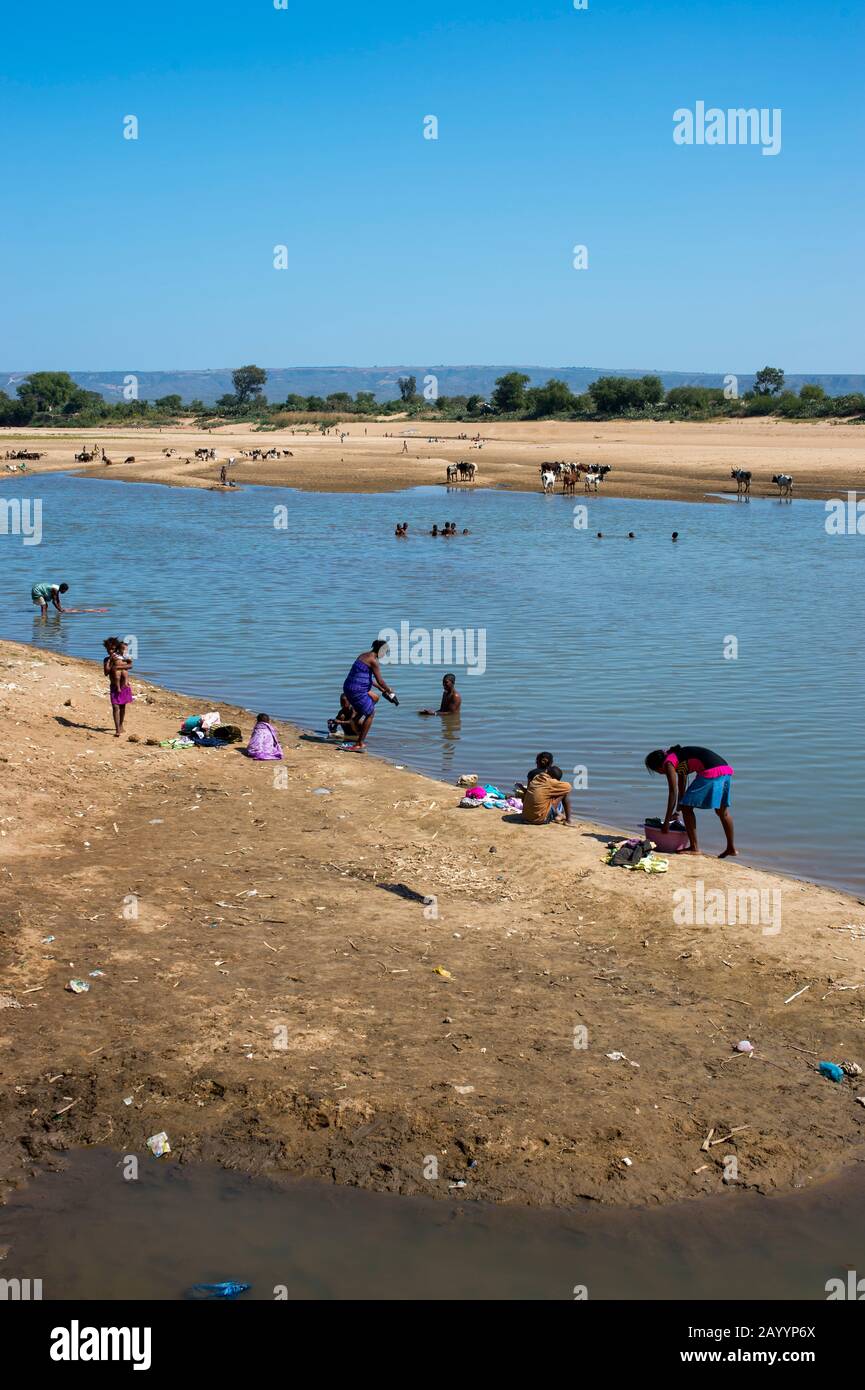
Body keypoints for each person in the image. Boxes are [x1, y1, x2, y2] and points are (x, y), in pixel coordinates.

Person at [645, 745, 736, 857]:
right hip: (724, 770)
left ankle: (694, 847)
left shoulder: (668, 763)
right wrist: (677, 812)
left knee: (687, 808)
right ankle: (731, 848)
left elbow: (673, 792)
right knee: (722, 812)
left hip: (710, 771)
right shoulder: (678, 760)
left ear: (658, 766)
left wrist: (666, 822)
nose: (661, 773)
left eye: (658, 771)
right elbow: (682, 790)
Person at [341, 639, 397, 751]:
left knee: (363, 710)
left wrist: (382, 690)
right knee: (370, 713)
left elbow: (367, 679)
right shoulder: (373, 661)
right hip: (357, 690)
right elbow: (380, 680)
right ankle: (359, 743)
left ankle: (354, 727)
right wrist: (389, 690)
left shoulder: (363, 656)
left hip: (348, 687)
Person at [103, 637, 133, 736]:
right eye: (108, 649)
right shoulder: (107, 659)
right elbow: (106, 673)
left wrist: (117, 666)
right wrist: (110, 662)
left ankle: (121, 725)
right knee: (115, 707)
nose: (110, 651)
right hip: (114, 687)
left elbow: (129, 666)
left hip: (124, 685)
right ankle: (117, 729)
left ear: (116, 648)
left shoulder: (122, 657)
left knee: (123, 706)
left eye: (112, 649)